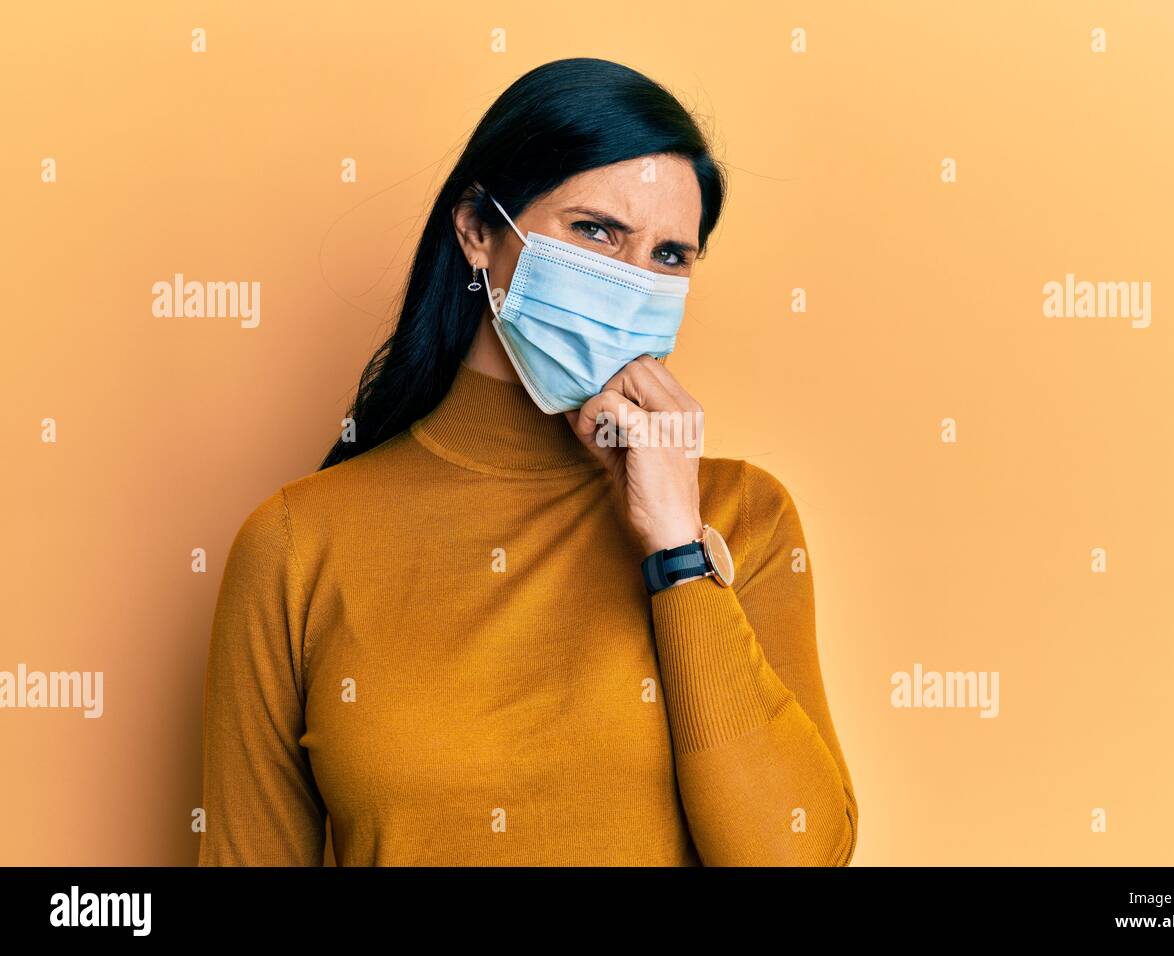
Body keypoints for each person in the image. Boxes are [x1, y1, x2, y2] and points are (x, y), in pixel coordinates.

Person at [198, 56, 857, 866]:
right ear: (478, 229)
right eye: (594, 231)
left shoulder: (743, 517)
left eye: (670, 256)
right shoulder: (299, 545)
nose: (630, 281)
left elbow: (795, 856)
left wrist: (679, 553)